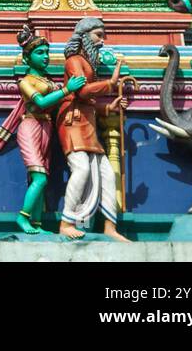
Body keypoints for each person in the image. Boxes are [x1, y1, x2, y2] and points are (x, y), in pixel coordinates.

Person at [0, 24, 86, 234]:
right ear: (26, 58)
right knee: (40, 177)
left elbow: (60, 101)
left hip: (46, 128)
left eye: (47, 53)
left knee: (41, 177)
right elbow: (40, 102)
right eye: (39, 53)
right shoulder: (26, 81)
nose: (45, 57)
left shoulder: (49, 81)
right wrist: (68, 89)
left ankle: (37, 223)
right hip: (31, 126)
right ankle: (22, 218)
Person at [56, 17, 129, 241]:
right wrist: (111, 83)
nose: (102, 41)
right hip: (72, 122)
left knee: (107, 174)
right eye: (99, 35)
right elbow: (81, 92)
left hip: (88, 123)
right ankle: (66, 222)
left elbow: (89, 101)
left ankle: (110, 226)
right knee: (82, 170)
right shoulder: (74, 60)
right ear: (84, 36)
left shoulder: (89, 64)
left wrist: (108, 107)